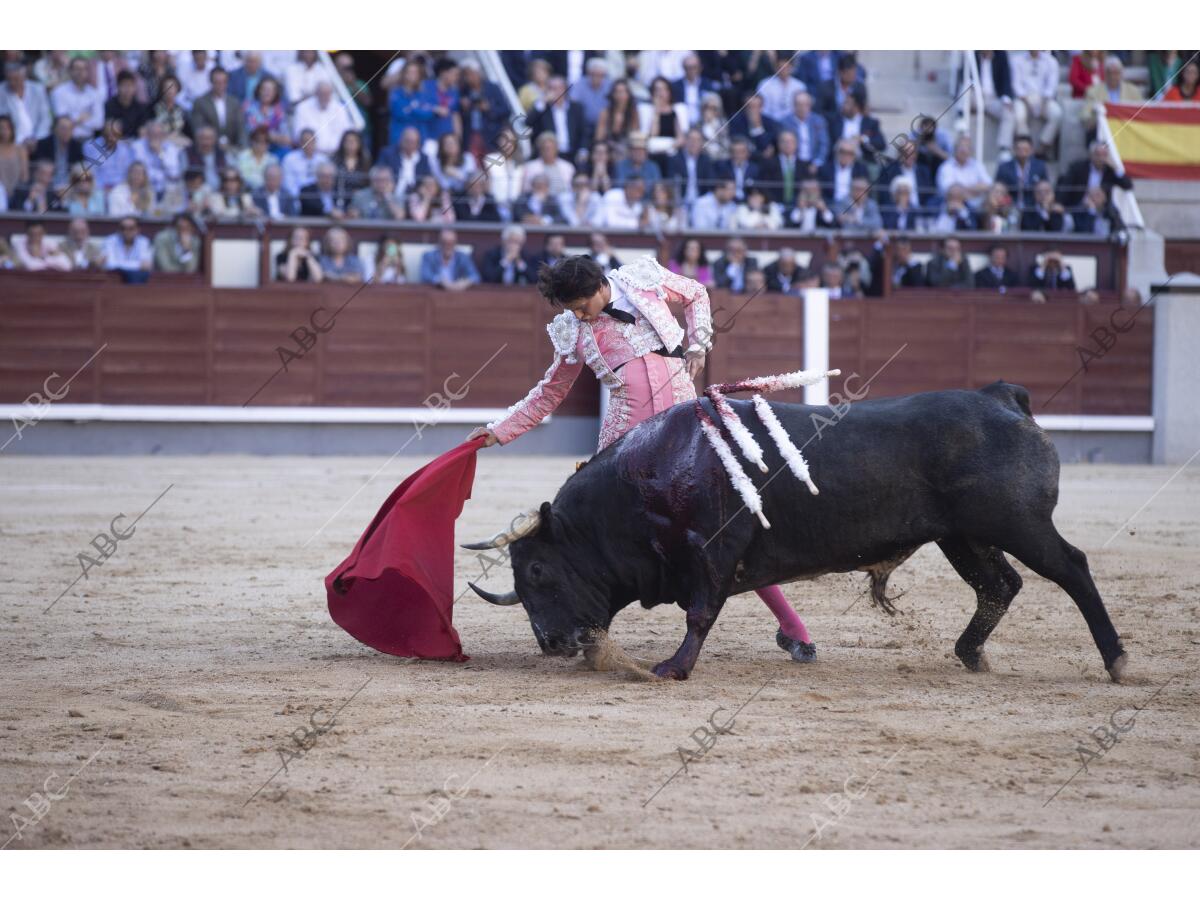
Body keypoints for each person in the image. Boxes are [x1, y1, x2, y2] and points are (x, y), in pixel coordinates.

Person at [465, 254, 817, 663]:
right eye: (572, 311)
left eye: (582, 307)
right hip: (624, 442)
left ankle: (791, 624)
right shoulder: (573, 330)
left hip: (685, 427)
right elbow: (549, 393)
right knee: (603, 535)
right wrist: (499, 430)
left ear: (599, 287)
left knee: (723, 524)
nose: (580, 317)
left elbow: (696, 293)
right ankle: (590, 631)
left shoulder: (640, 280)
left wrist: (699, 341)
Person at [1010, 51, 1062, 158]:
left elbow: (1051, 86)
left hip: (1044, 99)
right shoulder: (1017, 60)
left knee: (1057, 113)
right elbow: (1016, 85)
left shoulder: (1051, 61)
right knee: (1018, 114)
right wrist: (1027, 103)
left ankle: (1042, 148)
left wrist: (1043, 103)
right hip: (1023, 98)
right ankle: (1024, 147)